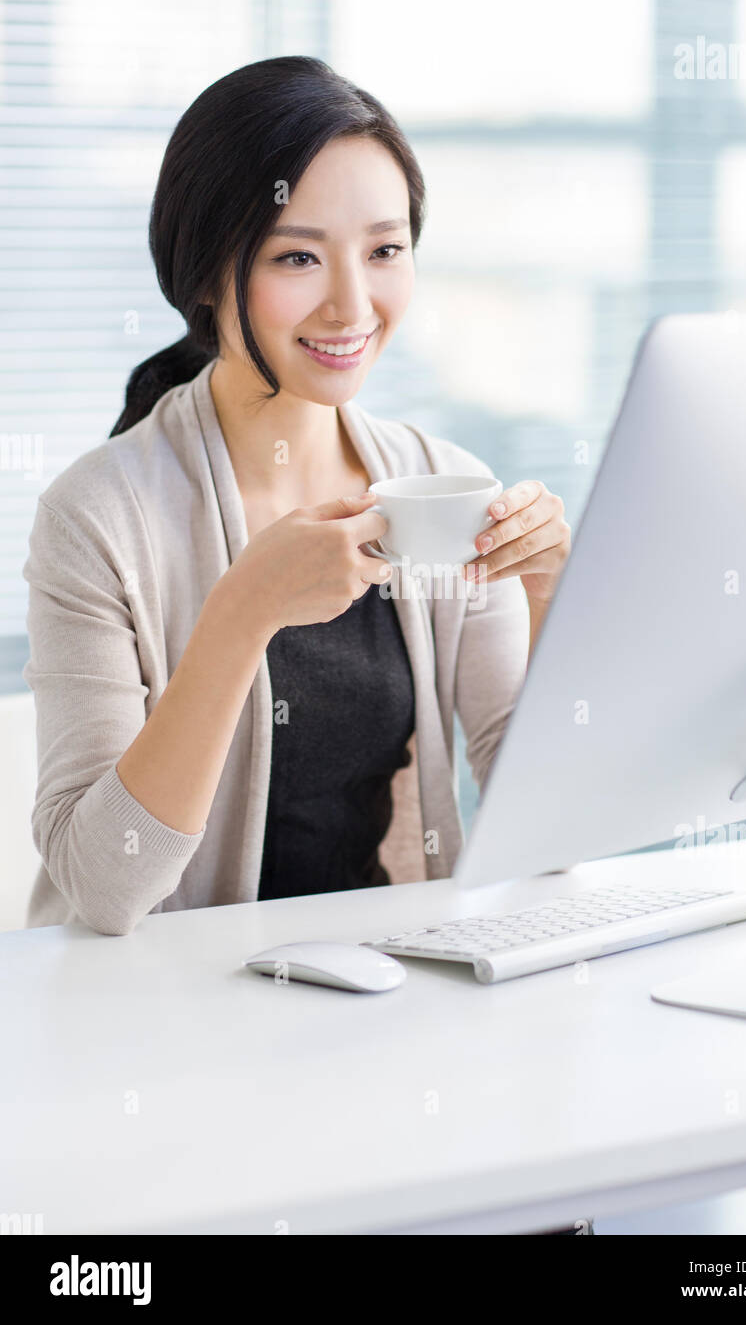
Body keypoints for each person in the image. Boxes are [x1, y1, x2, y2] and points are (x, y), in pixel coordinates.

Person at [22, 56, 571, 935]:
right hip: (151, 1021)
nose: (353, 305)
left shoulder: (443, 488)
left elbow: (546, 834)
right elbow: (103, 886)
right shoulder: (96, 518)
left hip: (377, 990)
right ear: (206, 272)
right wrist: (243, 613)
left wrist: (550, 599)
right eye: (299, 257)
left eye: (386, 251)